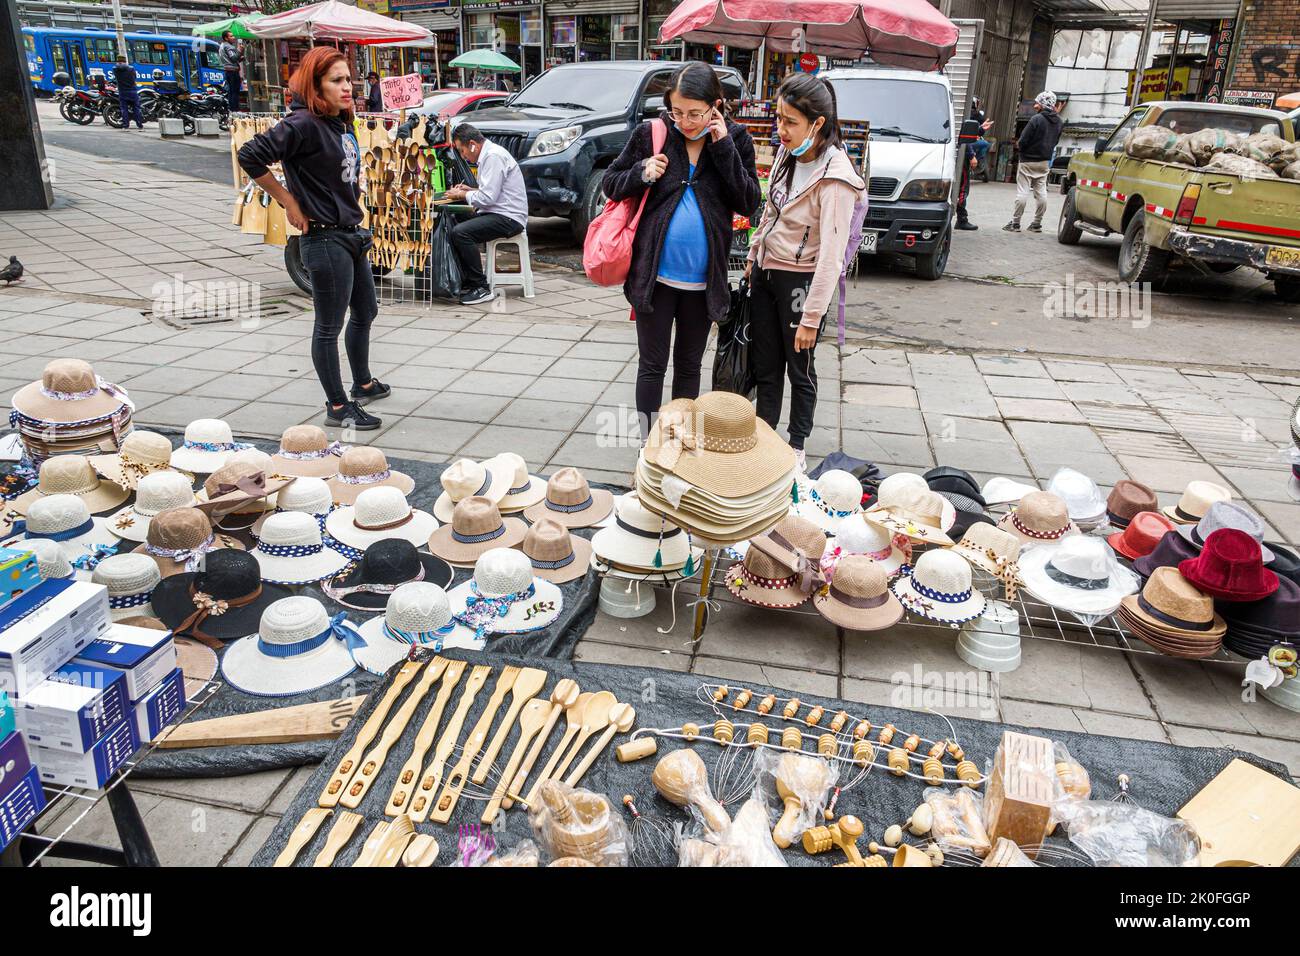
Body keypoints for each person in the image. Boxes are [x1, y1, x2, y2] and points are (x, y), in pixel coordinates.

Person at [602, 62, 761, 436]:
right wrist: (642, 171)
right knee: (652, 365)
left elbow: (748, 201)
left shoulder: (735, 140)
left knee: (689, 368)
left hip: (703, 283)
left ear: (715, 106)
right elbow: (611, 182)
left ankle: (678, 445)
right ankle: (648, 446)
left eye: (695, 113)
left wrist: (722, 148)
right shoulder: (652, 133)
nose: (685, 121)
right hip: (654, 277)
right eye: (677, 111)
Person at [238, 46, 388, 431]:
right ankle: (338, 407)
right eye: (336, 81)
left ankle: (363, 382)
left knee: (366, 311)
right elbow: (250, 155)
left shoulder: (340, 121)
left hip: (350, 235)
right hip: (323, 239)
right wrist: (288, 201)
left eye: (349, 80)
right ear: (315, 86)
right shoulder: (301, 123)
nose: (347, 88)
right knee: (328, 325)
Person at [744, 73, 865, 472]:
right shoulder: (787, 155)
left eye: (790, 122)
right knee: (765, 364)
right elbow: (770, 208)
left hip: (802, 282)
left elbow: (832, 257)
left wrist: (812, 317)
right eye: (778, 118)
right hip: (766, 273)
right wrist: (754, 251)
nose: (781, 130)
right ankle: (762, 435)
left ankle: (796, 446)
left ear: (818, 124)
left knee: (800, 368)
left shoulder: (837, 178)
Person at [442, 124, 529, 306]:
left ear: (473, 144)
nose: (463, 156)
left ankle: (480, 287)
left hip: (509, 217)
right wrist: (471, 190)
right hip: (500, 211)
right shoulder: (489, 155)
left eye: (462, 150)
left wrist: (462, 194)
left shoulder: (493, 156)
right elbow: (491, 191)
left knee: (461, 232)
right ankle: (466, 279)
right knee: (455, 221)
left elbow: (488, 198)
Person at [1004, 91, 1062, 233]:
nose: (1035, 106)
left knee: (1023, 191)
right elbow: (1056, 141)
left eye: (1037, 103)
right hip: (1044, 162)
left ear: (1043, 104)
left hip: (1027, 161)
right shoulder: (1059, 121)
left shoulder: (1036, 119)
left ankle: (1015, 223)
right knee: (1041, 192)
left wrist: (1021, 148)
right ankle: (1037, 223)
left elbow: (1023, 140)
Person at [112, 55, 144, 130]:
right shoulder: (131, 69)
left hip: (122, 92)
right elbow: (134, 77)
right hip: (132, 91)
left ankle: (125, 126)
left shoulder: (115, 69)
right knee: (136, 108)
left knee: (124, 109)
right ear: (125, 61)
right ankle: (140, 125)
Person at [219, 31, 243, 113]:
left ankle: (232, 109)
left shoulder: (222, 46)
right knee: (235, 91)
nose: (234, 38)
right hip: (232, 72)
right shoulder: (228, 46)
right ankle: (235, 109)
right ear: (226, 38)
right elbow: (233, 58)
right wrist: (240, 51)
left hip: (228, 71)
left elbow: (231, 60)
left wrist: (239, 58)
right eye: (231, 36)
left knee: (231, 91)